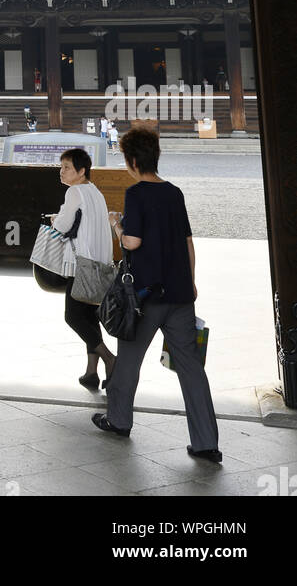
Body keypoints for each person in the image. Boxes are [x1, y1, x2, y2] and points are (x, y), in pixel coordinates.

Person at [92, 125, 221, 462]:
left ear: (133, 161)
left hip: (145, 298)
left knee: (129, 362)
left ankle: (119, 420)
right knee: (191, 367)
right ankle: (206, 442)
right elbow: (188, 242)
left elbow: (132, 242)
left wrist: (116, 224)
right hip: (179, 295)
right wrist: (191, 281)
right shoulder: (174, 192)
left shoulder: (136, 194)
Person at [47, 148, 116, 392]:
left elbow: (64, 226)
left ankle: (110, 359)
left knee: (73, 316)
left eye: (67, 167)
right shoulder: (94, 192)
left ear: (81, 171)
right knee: (88, 316)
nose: (62, 171)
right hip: (99, 264)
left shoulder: (74, 191)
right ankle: (91, 372)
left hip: (81, 265)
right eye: (61, 166)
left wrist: (56, 220)